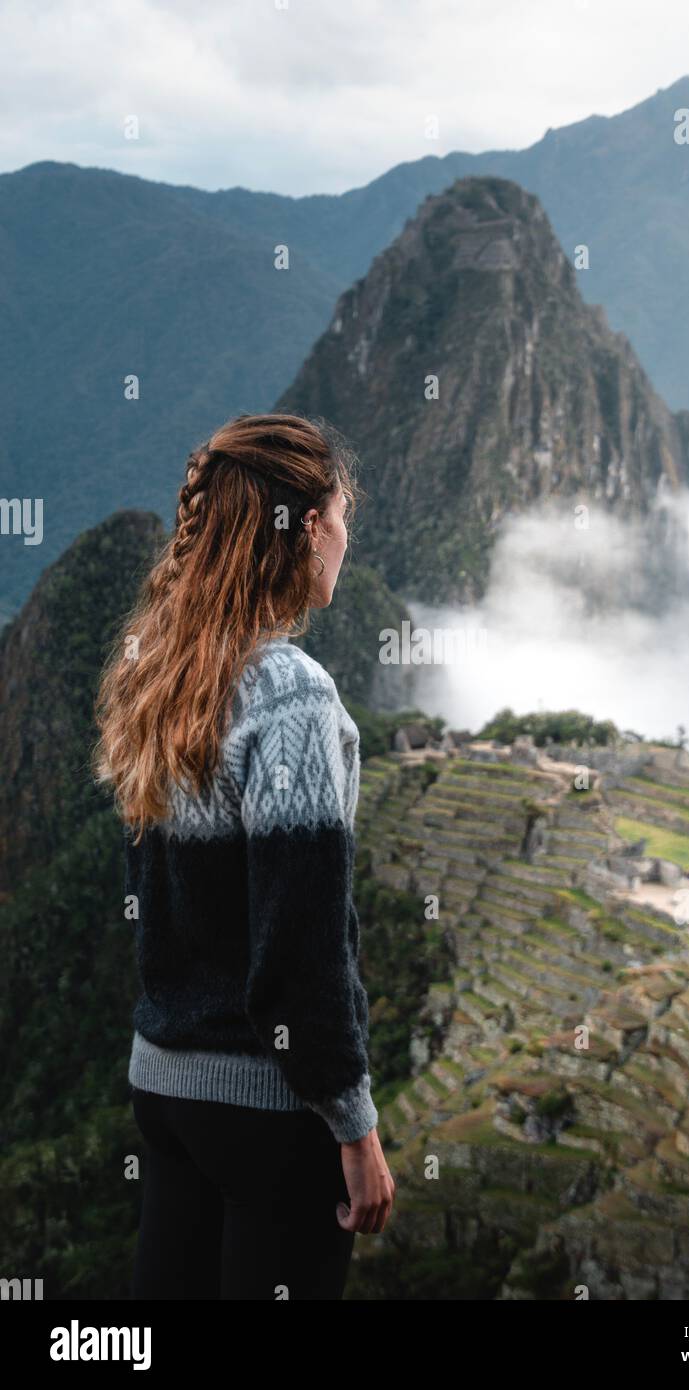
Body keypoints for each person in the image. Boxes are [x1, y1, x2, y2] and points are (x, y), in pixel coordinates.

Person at [92, 412, 395, 1300]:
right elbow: (302, 956)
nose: (346, 534)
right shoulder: (291, 697)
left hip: (167, 1089)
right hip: (264, 1109)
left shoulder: (166, 677)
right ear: (307, 528)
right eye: (340, 513)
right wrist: (358, 1131)